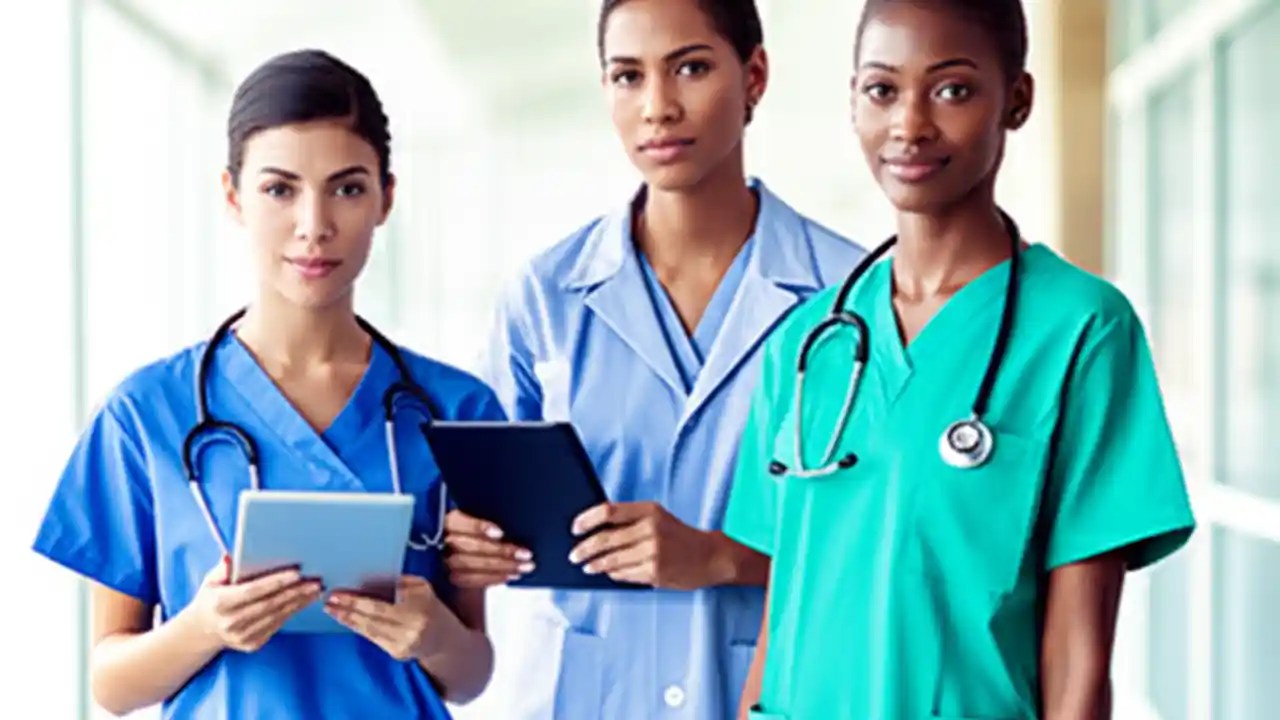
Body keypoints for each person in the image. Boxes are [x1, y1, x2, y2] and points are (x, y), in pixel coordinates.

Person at [726, 1, 1197, 718]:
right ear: (854, 101)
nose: (910, 125)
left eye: (952, 89)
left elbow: (1079, 653)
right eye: (882, 90)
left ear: (1017, 99)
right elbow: (784, 607)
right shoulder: (806, 342)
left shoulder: (1080, 331)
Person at [31, 49, 499, 719]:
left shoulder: (457, 411)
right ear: (233, 196)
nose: (314, 225)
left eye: (348, 187)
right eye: (280, 189)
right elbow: (111, 684)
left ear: (385, 198)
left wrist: (434, 635)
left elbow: (469, 675)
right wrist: (203, 627)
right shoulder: (146, 414)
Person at [442, 0, 863, 718]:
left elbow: (882, 547)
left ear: (755, 75)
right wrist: (468, 546)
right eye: (627, 77)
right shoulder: (544, 297)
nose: (658, 108)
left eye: (691, 69)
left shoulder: (851, 300)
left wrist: (724, 559)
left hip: (770, 694)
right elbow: (479, 513)